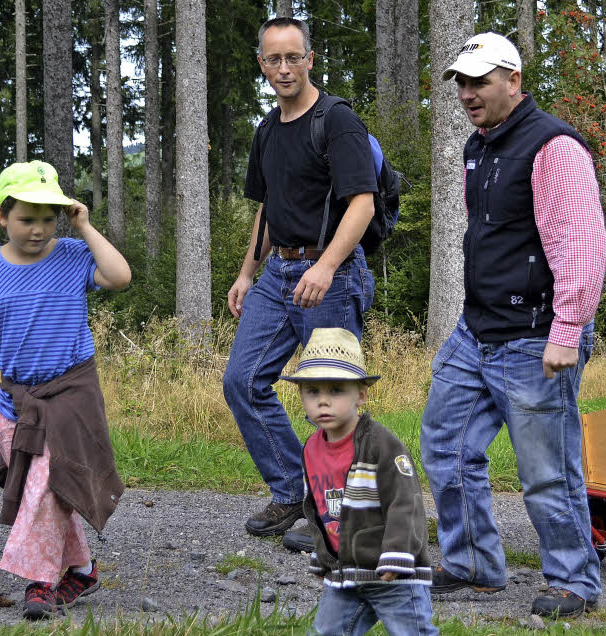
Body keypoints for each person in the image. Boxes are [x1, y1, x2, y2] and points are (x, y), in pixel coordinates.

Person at [421, 33, 606, 620]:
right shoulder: (481, 147)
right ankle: (474, 562)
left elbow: (581, 244)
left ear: (514, 81)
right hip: (477, 329)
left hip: (536, 334)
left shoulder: (552, 146)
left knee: (547, 471)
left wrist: (566, 331)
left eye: (480, 81)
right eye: (462, 82)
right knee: (444, 444)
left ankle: (574, 580)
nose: (467, 93)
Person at [222, 17, 377, 550]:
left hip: (330, 276)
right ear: (261, 64)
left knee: (334, 396)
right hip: (278, 273)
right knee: (242, 381)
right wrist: (247, 273)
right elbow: (269, 208)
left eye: (293, 57)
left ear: (310, 59)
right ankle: (295, 491)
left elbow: (362, 202)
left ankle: (347, 520)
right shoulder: (268, 129)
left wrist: (327, 266)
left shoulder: (336, 122)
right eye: (273, 59)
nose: (284, 68)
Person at [0, 161, 131, 619]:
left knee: (43, 483)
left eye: (48, 218)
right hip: (16, 398)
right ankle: (81, 569)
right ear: (2, 216)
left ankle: (40, 580)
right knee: (47, 487)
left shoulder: (73, 255)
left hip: (72, 391)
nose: (39, 229)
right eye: (26, 218)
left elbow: (120, 277)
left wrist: (84, 225)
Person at [279, 328, 436, 636]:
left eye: (336, 390)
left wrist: (397, 552)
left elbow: (406, 502)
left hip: (392, 572)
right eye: (312, 392)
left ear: (360, 394)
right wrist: (321, 555)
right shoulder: (311, 449)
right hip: (345, 573)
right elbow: (318, 508)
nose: (323, 402)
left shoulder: (381, 445)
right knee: (325, 631)